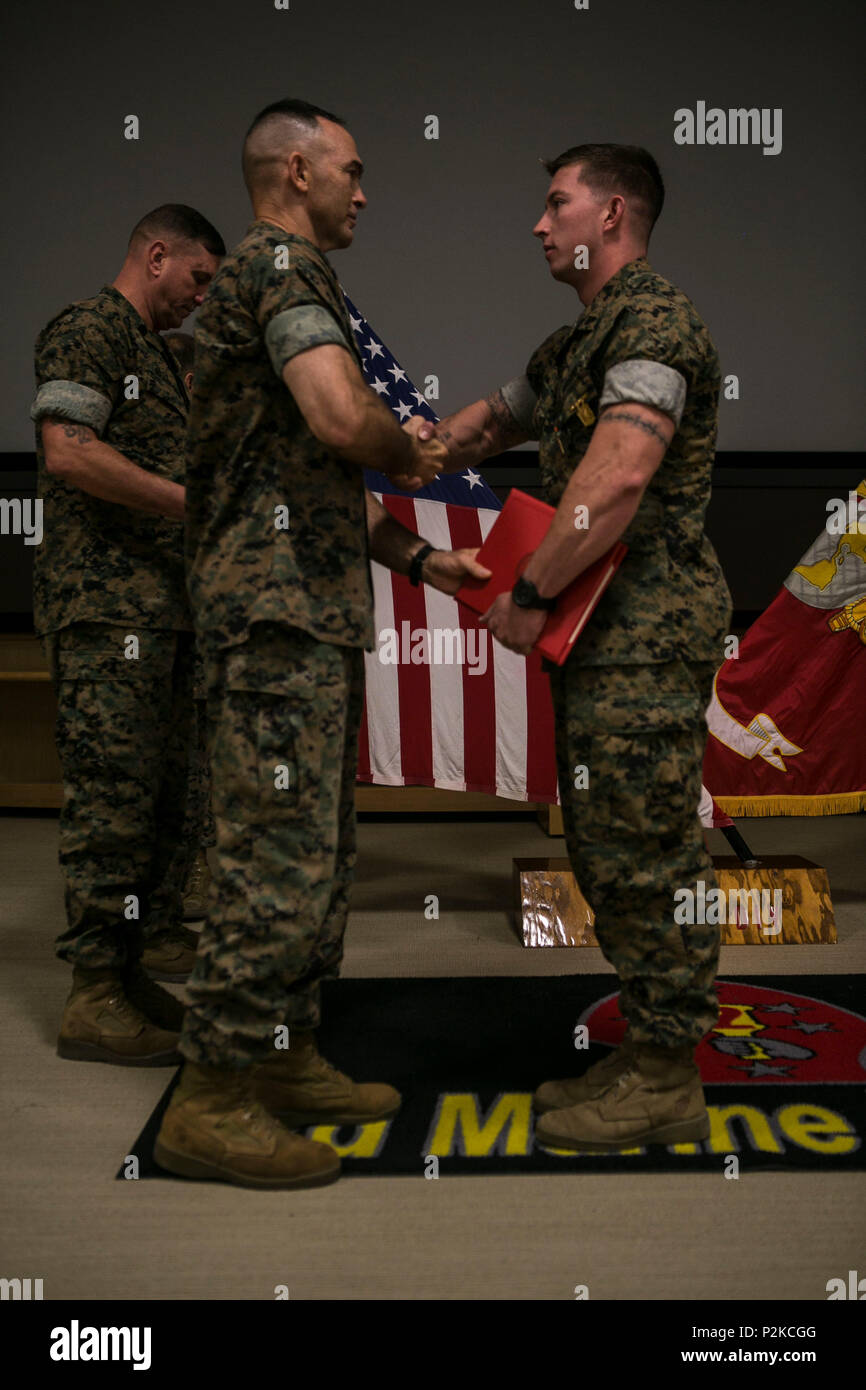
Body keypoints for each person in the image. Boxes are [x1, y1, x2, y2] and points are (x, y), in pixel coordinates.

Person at [153, 99, 490, 1189]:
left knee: (318, 856)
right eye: (350, 167)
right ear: (295, 170)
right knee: (273, 862)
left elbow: (313, 481)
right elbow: (346, 424)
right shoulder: (281, 272)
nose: (365, 188)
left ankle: (284, 1053)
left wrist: (421, 560)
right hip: (274, 622)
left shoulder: (281, 276)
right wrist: (421, 450)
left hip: (304, 608)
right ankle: (207, 1099)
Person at [410, 144, 732, 1151]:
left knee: (643, 852)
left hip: (642, 634)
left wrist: (526, 591)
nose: (539, 225)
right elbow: (485, 423)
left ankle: (669, 1072)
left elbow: (622, 472)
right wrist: (394, 444)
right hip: (601, 646)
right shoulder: (574, 347)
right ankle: (646, 1051)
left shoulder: (651, 321)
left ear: (614, 213)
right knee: (603, 845)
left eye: (557, 205)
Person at [31, 204, 224, 1065]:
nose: (200, 299)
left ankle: (131, 967)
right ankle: (93, 995)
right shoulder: (89, 332)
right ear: (155, 255)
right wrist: (192, 505)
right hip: (108, 615)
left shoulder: (159, 355)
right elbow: (69, 452)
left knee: (166, 803)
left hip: (167, 616)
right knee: (112, 802)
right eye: (197, 280)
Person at [164, 329, 215, 922]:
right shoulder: (159, 442)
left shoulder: (216, 440)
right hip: (166, 616)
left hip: (209, 618)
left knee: (209, 751)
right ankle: (183, 877)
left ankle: (204, 866)